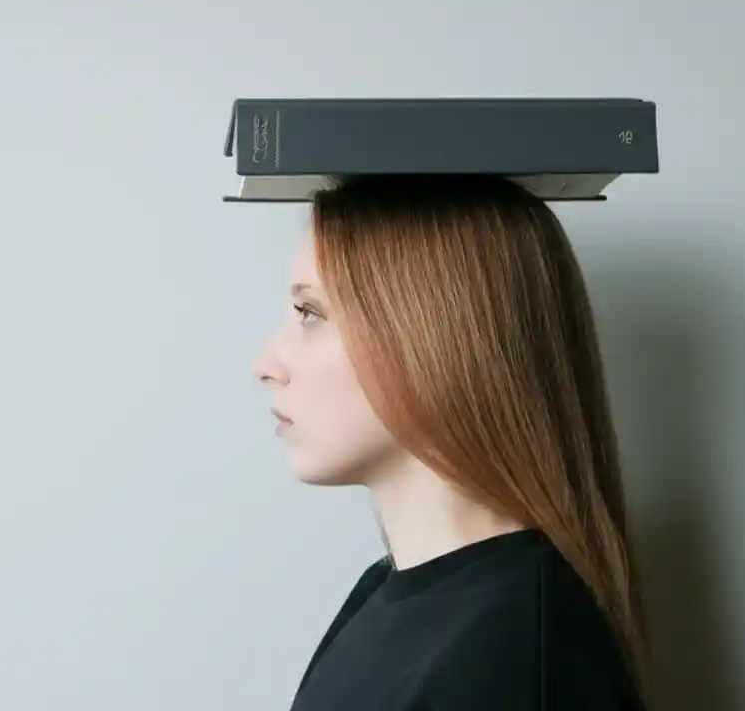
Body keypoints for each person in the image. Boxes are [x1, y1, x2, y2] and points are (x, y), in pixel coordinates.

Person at [250, 174, 650, 710]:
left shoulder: (513, 662)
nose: (265, 365)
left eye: (311, 313)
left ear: (434, 336)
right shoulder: (386, 593)